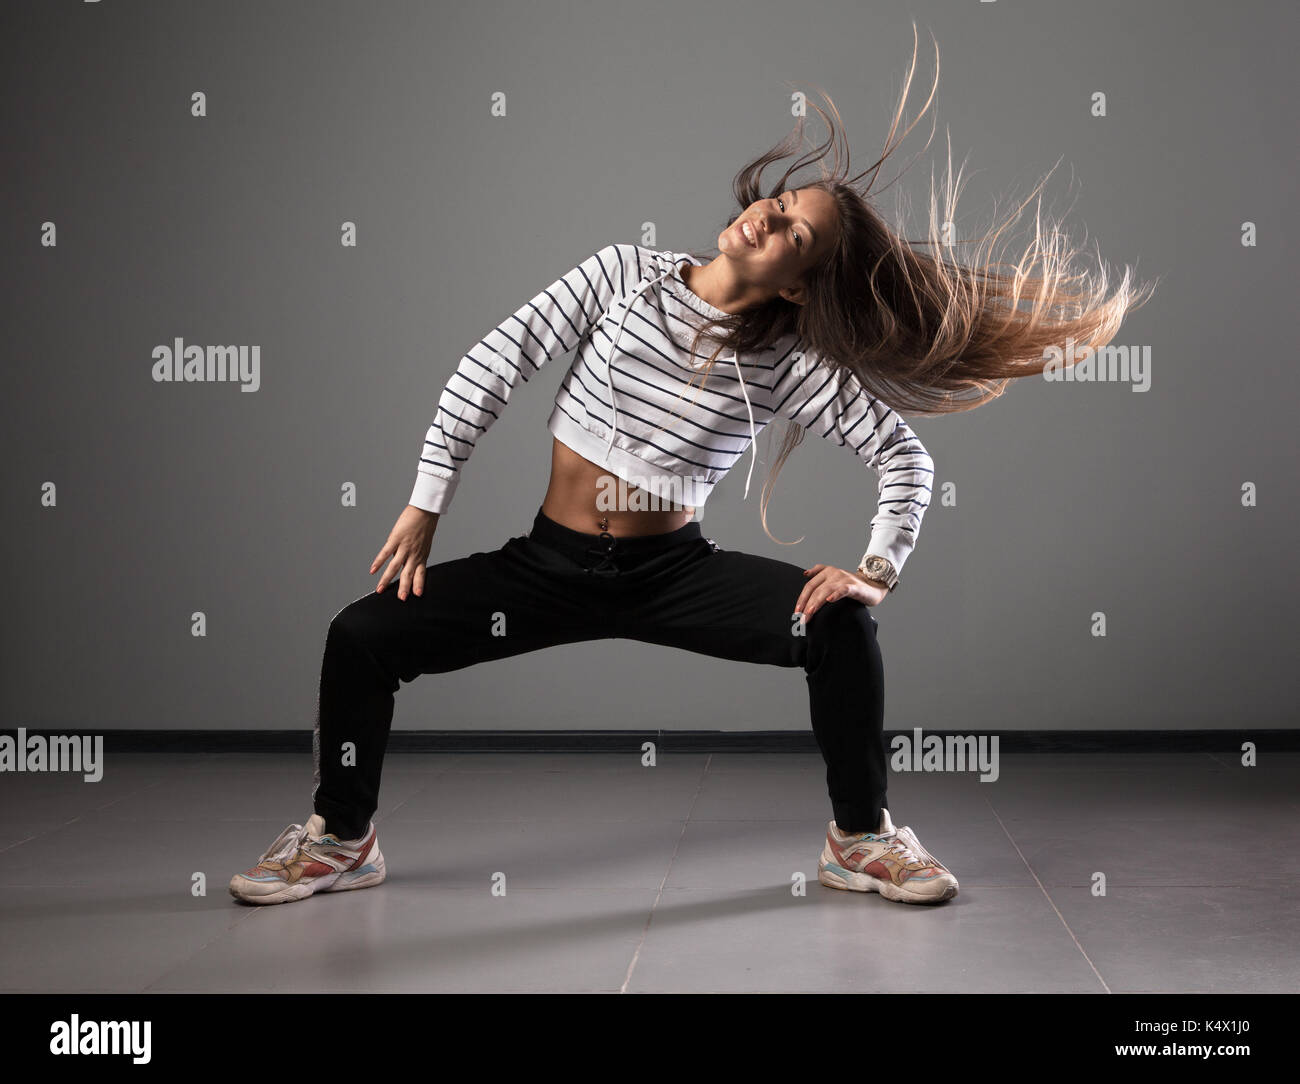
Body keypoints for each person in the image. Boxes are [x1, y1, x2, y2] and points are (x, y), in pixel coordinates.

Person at [229, 40, 1153, 910]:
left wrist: (875, 572)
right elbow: (493, 363)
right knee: (359, 635)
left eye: (792, 228)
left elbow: (904, 459)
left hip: (675, 576)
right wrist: (428, 501)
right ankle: (343, 838)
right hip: (544, 571)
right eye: (781, 199)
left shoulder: (789, 363)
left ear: (798, 283)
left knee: (837, 627)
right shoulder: (621, 275)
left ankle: (860, 838)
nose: (768, 210)